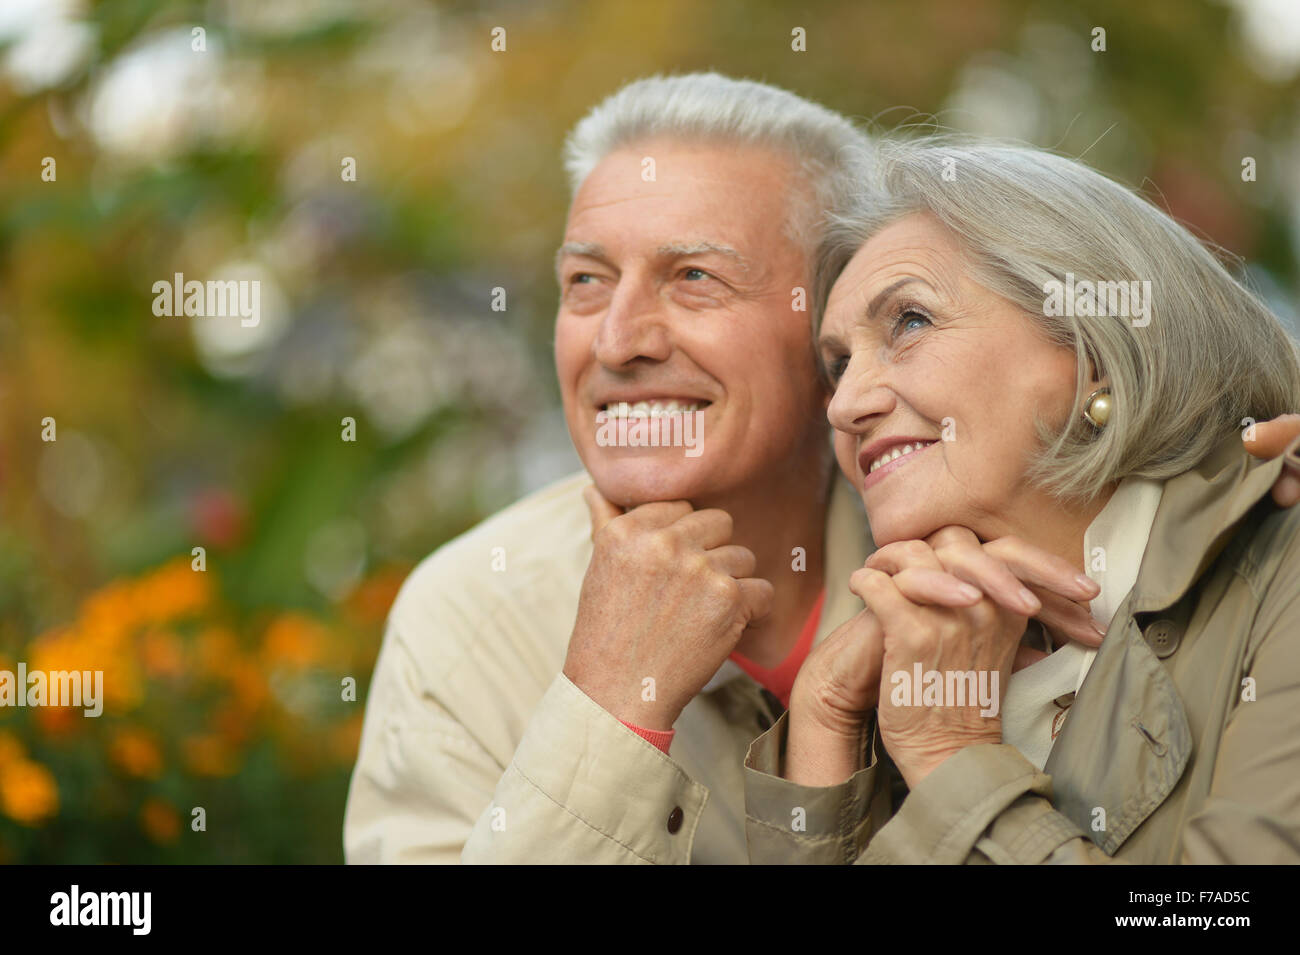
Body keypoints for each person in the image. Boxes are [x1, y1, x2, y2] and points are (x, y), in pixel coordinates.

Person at [343, 74, 1300, 864]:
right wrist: (613, 713)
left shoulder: (995, 552)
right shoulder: (465, 615)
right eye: (584, 281)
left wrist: (942, 755)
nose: (618, 338)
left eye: (695, 277)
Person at [768, 135, 1300, 864]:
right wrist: (825, 726)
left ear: (1095, 357)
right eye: (837, 365)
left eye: (910, 321)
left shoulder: (1284, 570)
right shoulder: (889, 674)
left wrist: (953, 757)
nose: (844, 404)